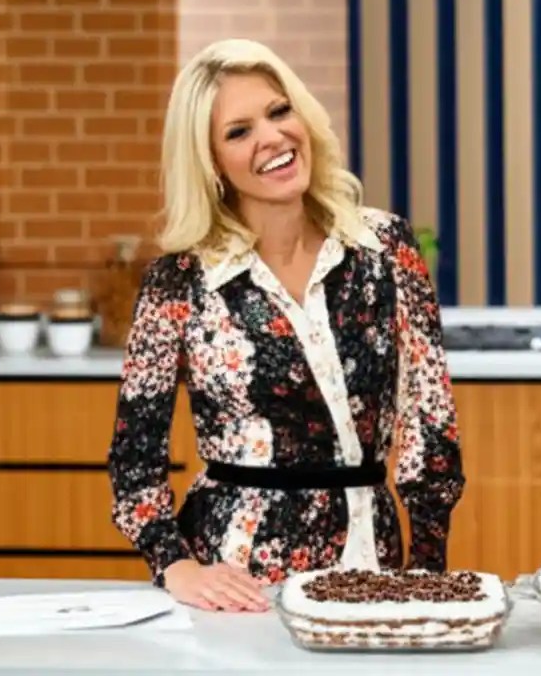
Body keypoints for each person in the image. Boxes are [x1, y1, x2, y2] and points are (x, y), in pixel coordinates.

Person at [108, 38, 465, 612]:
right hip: (238, 589)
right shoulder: (178, 282)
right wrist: (173, 564)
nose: (271, 138)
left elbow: (431, 428)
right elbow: (134, 460)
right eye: (238, 131)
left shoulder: (386, 248)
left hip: (374, 571)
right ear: (209, 163)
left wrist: (425, 576)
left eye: (279, 112)